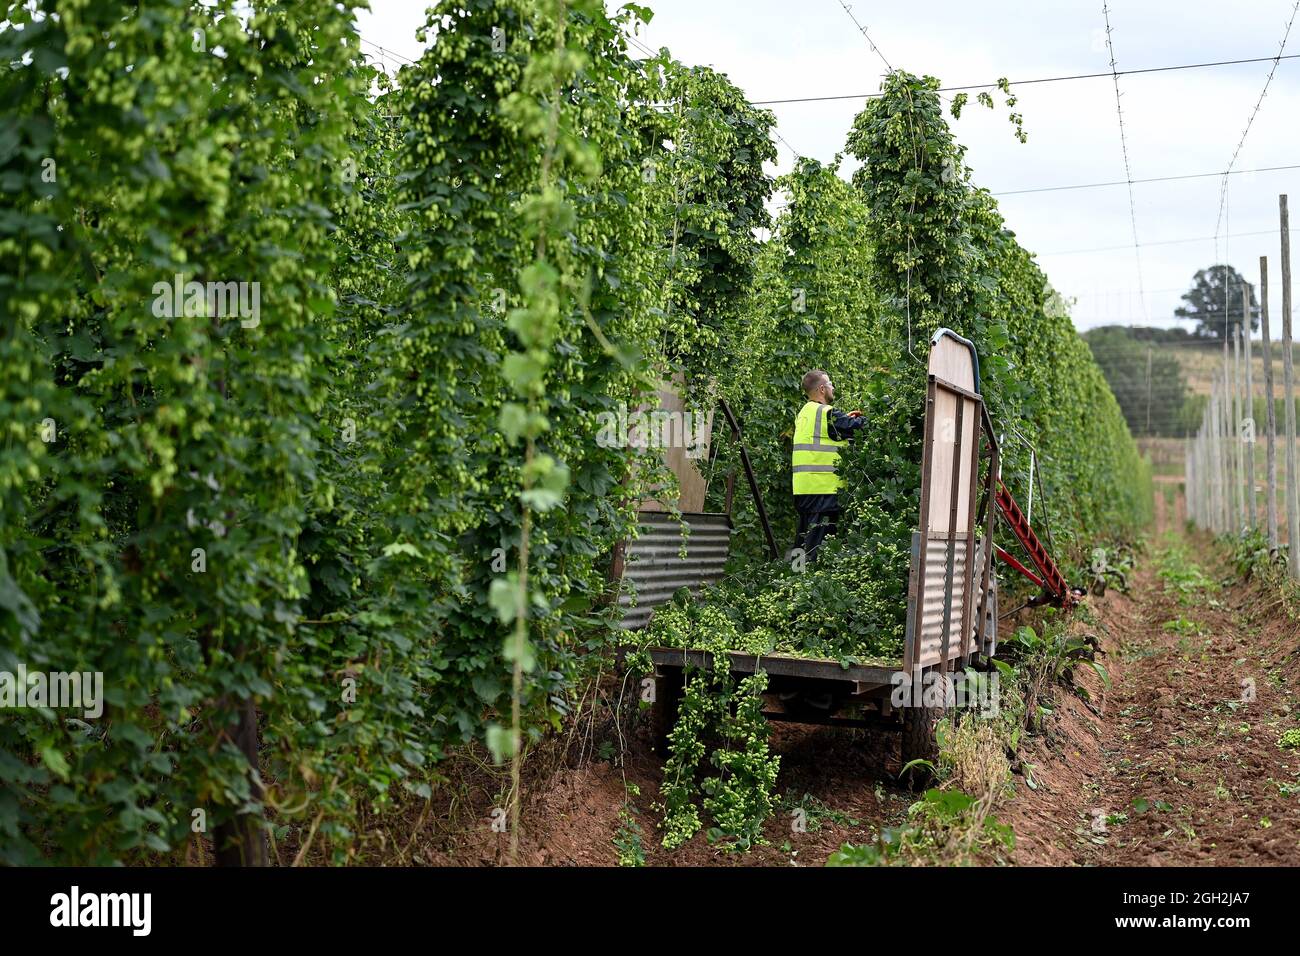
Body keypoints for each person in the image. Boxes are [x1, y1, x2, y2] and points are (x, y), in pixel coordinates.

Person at [791, 369, 867, 562]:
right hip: (822, 488)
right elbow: (858, 428)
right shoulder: (826, 413)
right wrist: (863, 419)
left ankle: (794, 576)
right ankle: (810, 580)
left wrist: (847, 419)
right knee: (818, 541)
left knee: (803, 536)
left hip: (803, 488)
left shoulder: (805, 413)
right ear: (822, 389)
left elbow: (829, 435)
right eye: (831, 384)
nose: (834, 387)